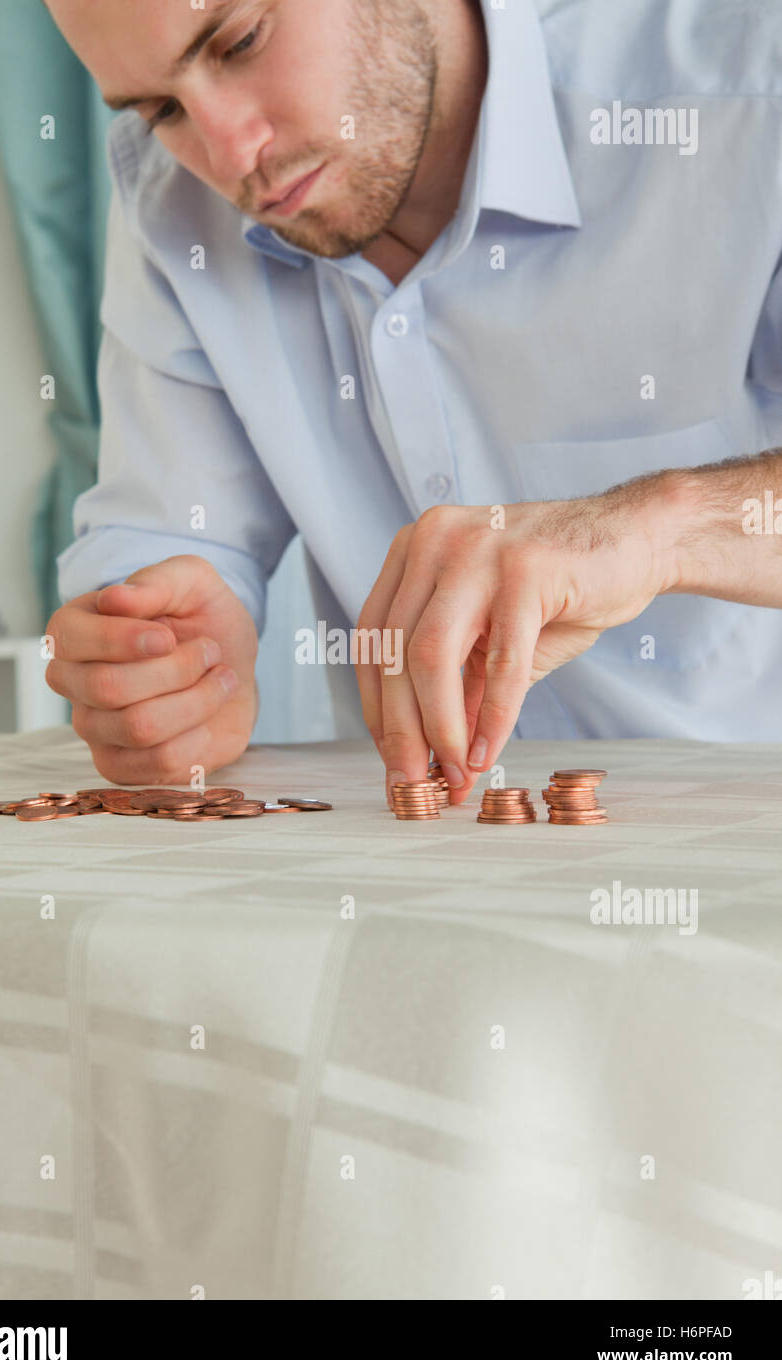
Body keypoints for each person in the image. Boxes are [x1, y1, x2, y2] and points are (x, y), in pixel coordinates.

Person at [44, 0, 782, 805]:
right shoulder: (171, 214)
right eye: (161, 109)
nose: (230, 155)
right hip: (422, 870)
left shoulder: (746, 95)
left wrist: (665, 528)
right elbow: (167, 544)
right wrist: (165, 670)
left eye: (240, 41)